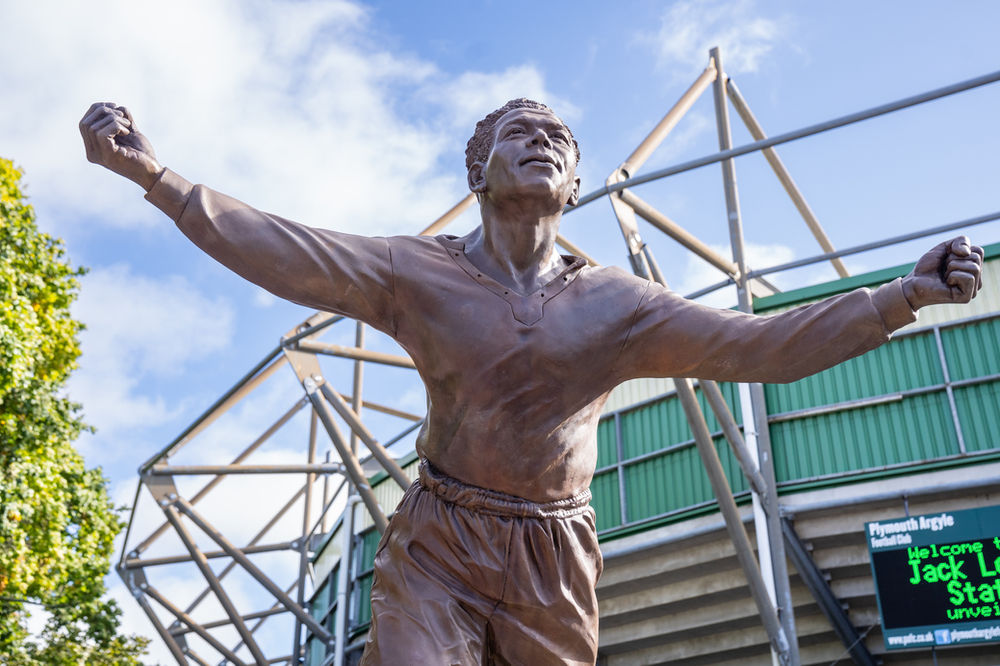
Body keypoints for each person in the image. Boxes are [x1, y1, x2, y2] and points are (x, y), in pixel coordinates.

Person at [81, 98, 983, 665]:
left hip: (555, 553)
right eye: (521, 134)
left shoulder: (617, 304)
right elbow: (284, 251)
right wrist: (155, 177)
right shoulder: (415, 273)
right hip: (442, 537)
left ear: (577, 184)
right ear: (479, 172)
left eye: (559, 139)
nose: (543, 143)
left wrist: (901, 295)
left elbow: (759, 347)